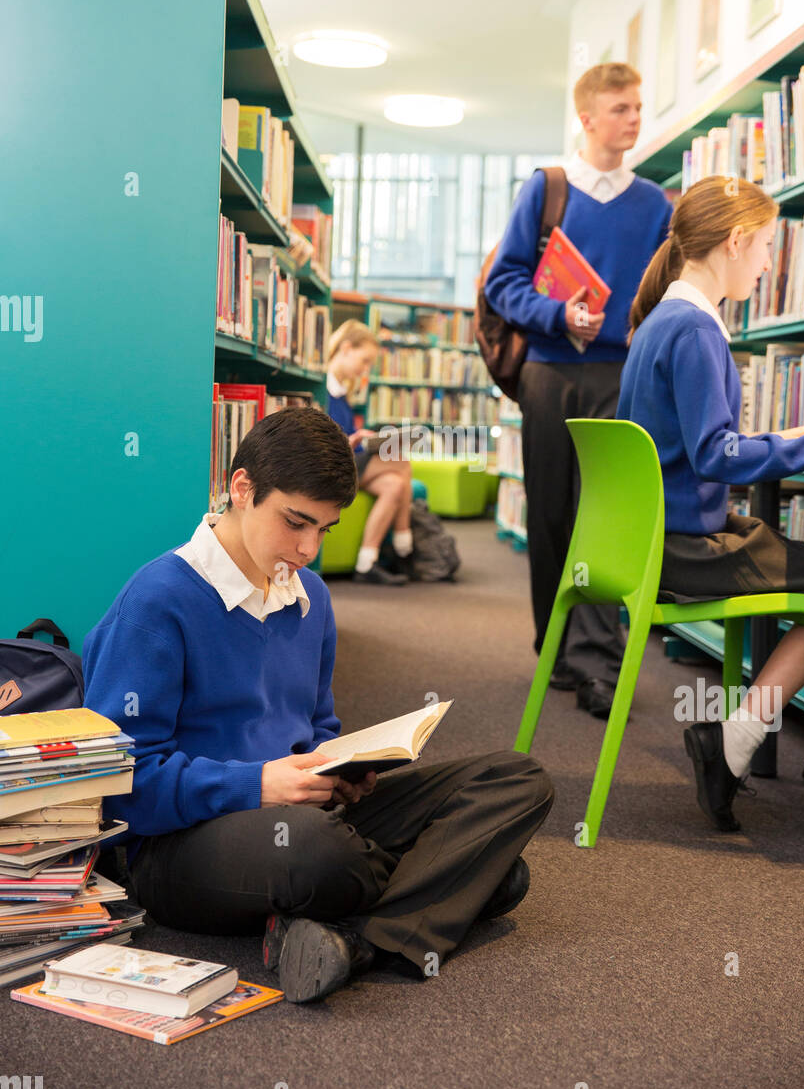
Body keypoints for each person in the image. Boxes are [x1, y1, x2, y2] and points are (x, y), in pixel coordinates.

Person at [82, 405, 554, 1003]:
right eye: (296, 522)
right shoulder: (156, 601)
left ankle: (357, 937)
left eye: (324, 530)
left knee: (517, 780)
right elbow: (118, 784)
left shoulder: (313, 600)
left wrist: (343, 769)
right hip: (183, 845)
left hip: (302, 809)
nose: (308, 549)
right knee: (340, 854)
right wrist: (255, 784)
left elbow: (315, 730)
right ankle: (439, 887)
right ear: (242, 488)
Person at [617, 175, 804, 832]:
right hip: (684, 548)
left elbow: (692, 442)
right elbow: (714, 458)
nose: (765, 266)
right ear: (733, 242)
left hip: (653, 537)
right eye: (763, 250)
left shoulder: (658, 322)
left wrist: (787, 438)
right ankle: (734, 742)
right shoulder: (696, 330)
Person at [485, 62, 672, 717]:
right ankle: (556, 648)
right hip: (548, 369)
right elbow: (502, 282)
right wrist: (556, 316)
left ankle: (599, 662)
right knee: (551, 511)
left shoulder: (656, 204)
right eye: (621, 107)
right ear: (587, 118)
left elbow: (661, 291)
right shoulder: (548, 189)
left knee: (603, 513)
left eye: (639, 107)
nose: (635, 118)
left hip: (619, 372)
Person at [327, 319, 414, 586]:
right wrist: (352, 440)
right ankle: (404, 544)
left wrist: (362, 439)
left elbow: (347, 434)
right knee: (401, 461)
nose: (365, 370)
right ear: (346, 348)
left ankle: (367, 563)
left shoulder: (342, 392)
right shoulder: (325, 389)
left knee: (395, 485)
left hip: (351, 460)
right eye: (364, 361)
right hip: (332, 467)